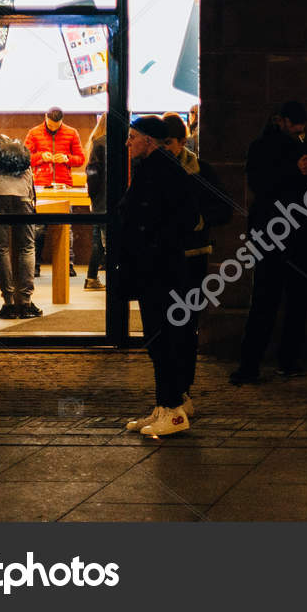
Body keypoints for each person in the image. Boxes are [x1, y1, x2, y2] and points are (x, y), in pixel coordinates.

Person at [232, 101, 307, 384]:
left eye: (302, 126)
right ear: (280, 121)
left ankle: (288, 359)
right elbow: (260, 185)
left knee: (298, 302)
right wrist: (294, 170)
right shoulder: (261, 148)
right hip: (272, 233)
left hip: (299, 234)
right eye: (295, 124)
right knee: (265, 300)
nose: (300, 130)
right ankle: (250, 364)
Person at [119, 115, 200, 439]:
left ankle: (172, 410)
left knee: (163, 337)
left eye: (132, 137)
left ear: (149, 141)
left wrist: (154, 245)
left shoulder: (163, 172)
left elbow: (182, 217)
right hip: (155, 267)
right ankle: (165, 406)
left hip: (160, 270)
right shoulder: (152, 169)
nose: (128, 143)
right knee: (158, 338)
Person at [163, 113, 232, 416]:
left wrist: (199, 221)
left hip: (193, 255)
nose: (165, 148)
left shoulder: (201, 171)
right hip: (164, 256)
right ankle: (169, 396)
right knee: (164, 328)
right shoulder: (152, 170)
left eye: (169, 142)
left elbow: (224, 209)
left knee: (185, 324)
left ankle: (182, 392)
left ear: (181, 142)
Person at [0, 132, 41, 319]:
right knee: (27, 247)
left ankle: (9, 303)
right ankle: (26, 302)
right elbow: (29, 173)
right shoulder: (18, 144)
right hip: (23, 196)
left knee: (1, 249)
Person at [25, 107, 84, 277]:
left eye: (56, 126)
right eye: (50, 125)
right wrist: (40, 157)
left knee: (67, 227)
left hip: (64, 186)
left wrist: (67, 159)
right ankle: (34, 265)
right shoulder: (34, 133)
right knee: (38, 228)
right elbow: (24, 157)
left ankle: (68, 265)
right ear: (45, 118)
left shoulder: (71, 133)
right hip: (40, 185)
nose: (53, 128)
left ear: (61, 121)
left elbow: (80, 159)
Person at [83, 114, 108, 291]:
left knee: (98, 240)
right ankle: (93, 278)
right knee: (107, 241)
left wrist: (92, 197)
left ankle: (91, 277)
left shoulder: (96, 141)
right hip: (108, 199)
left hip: (99, 200)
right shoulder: (110, 143)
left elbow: (92, 174)